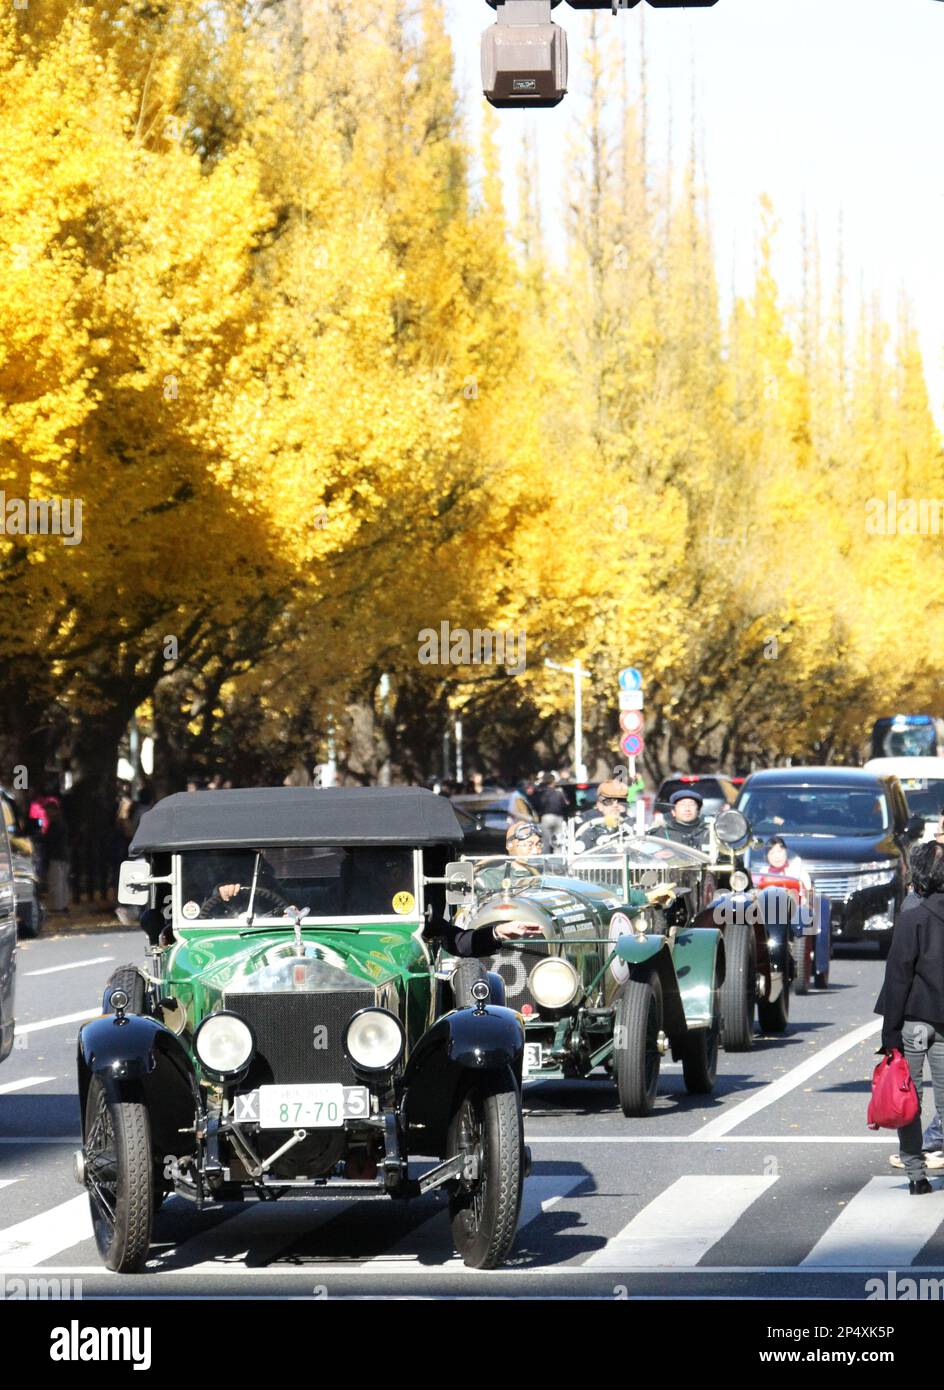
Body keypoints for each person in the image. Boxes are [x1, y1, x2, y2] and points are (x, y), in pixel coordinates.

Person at [875, 839, 944, 1193]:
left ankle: (916, 1175)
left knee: (909, 1096)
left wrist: (889, 1035)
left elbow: (898, 976)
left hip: (914, 1022)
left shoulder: (913, 915)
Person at [573, 778, 632, 854]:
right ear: (600, 805)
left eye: (621, 801)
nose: (615, 805)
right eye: (609, 801)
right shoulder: (585, 821)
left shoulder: (630, 823)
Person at [648, 789, 711, 853]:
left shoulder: (709, 832)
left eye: (691, 804)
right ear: (673, 812)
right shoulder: (660, 834)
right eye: (682, 805)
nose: (687, 809)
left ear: (698, 811)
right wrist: (658, 854)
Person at [532, 773, 568, 849]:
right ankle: (558, 859)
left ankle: (545, 858)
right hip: (558, 817)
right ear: (553, 781)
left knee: (545, 842)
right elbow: (565, 805)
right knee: (558, 843)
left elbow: (536, 805)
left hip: (546, 817)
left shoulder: (541, 793)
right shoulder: (558, 792)